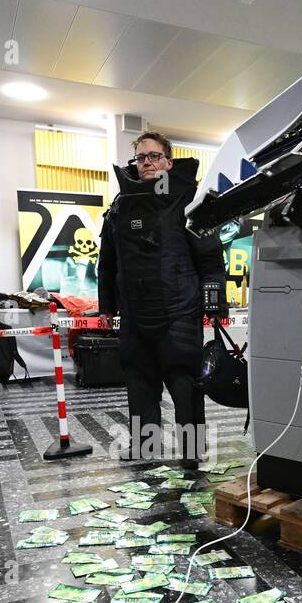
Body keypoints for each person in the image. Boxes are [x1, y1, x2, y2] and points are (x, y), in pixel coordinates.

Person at [97, 132, 226, 466]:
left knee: (185, 385)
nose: (148, 163)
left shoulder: (190, 201)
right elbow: (107, 263)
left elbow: (211, 260)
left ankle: (192, 451)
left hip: (179, 313)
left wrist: (215, 306)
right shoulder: (120, 207)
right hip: (134, 316)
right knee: (139, 383)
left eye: (154, 156)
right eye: (141, 158)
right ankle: (145, 447)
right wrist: (106, 308)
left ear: (169, 162)